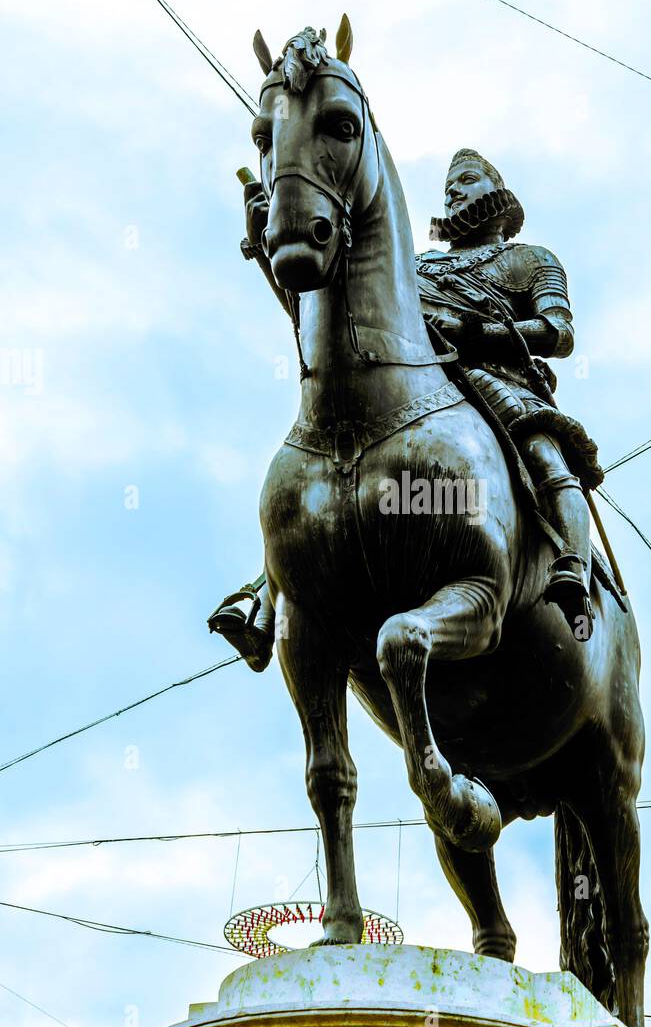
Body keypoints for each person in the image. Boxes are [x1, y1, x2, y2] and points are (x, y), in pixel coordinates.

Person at [208, 149, 603, 669]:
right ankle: (268, 594)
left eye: (466, 180)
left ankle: (571, 564)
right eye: (448, 185)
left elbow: (558, 333)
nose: (453, 192)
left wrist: (476, 331)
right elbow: (324, 310)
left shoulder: (532, 259)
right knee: (329, 459)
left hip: (495, 378)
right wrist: (267, 243)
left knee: (543, 450)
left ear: (497, 191)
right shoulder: (415, 266)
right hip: (418, 378)